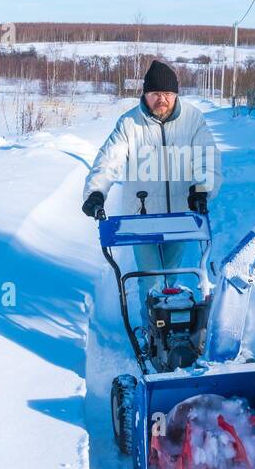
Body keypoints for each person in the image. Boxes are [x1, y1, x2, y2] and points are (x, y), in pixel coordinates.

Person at [81, 59, 222, 314]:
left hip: (181, 216)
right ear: (145, 95)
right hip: (141, 219)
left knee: (170, 278)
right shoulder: (129, 124)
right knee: (152, 279)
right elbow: (108, 161)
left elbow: (207, 159)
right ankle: (153, 332)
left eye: (167, 94)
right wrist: (96, 193)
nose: (162, 100)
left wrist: (203, 188)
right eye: (155, 94)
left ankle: (170, 330)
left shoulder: (193, 119)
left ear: (176, 94)